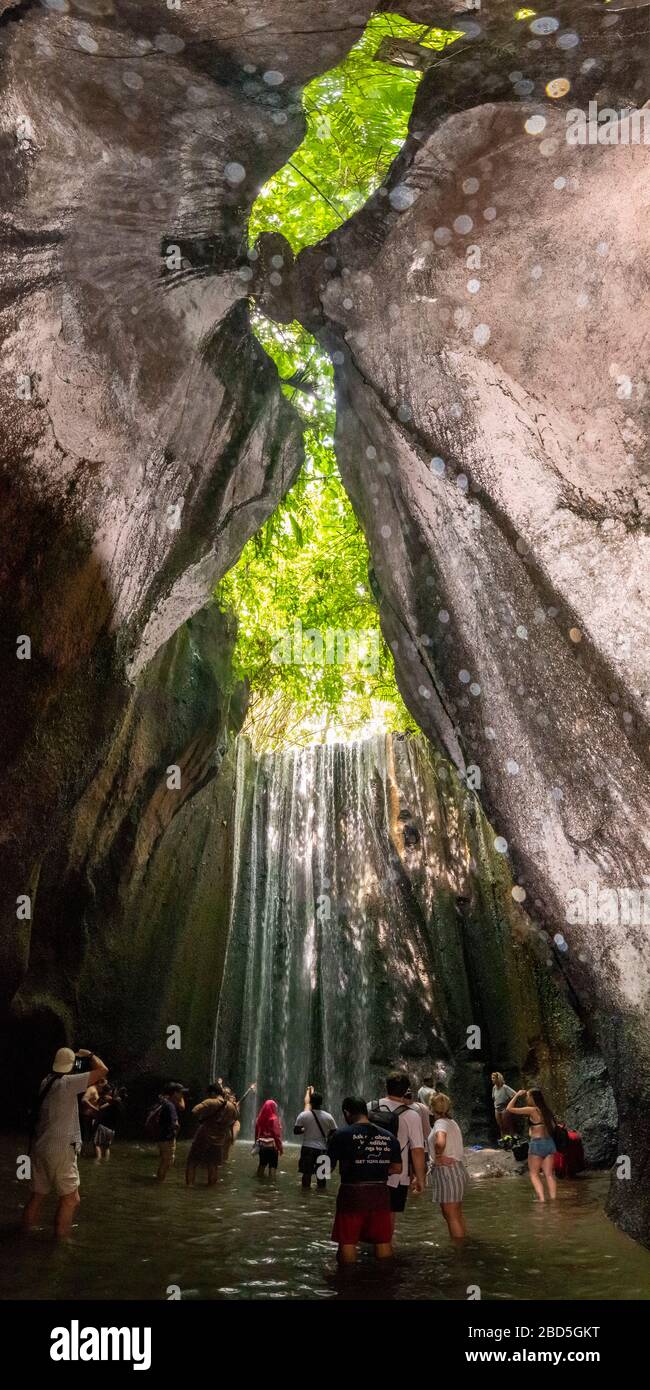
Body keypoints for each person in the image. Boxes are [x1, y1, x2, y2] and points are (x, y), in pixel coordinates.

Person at [23, 1046, 108, 1238]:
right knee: (71, 1199)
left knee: (37, 1195)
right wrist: (89, 1055)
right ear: (70, 1066)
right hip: (60, 1148)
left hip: (41, 1146)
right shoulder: (68, 1083)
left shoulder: (46, 1081)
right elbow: (103, 1071)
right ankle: (61, 1245)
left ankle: (24, 1235)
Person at [327, 1097, 402, 1263]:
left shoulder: (341, 1135)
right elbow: (397, 1168)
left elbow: (324, 1171)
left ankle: (347, 1280)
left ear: (347, 1113)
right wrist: (375, 1166)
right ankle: (386, 1278)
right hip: (381, 1192)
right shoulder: (389, 1136)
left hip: (352, 1192)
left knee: (348, 1240)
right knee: (382, 1239)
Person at [370, 1072, 426, 1222]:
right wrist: (420, 1179)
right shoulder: (411, 1115)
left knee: (369, 1212)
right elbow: (417, 1150)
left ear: (386, 1086)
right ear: (407, 1090)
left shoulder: (370, 1107)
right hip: (397, 1173)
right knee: (389, 1215)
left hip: (367, 1169)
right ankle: (385, 1244)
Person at [505, 1087, 557, 1202]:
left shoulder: (532, 1110)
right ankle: (554, 1201)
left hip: (537, 1145)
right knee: (549, 1175)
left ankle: (542, 1199)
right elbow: (552, 1127)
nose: (527, 1098)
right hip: (549, 1143)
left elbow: (509, 1109)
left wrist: (517, 1095)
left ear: (533, 1098)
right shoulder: (546, 1110)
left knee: (534, 1174)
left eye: (528, 1096)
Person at [428, 1093, 467, 1239]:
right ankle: (464, 1244)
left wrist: (438, 1157)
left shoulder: (440, 1123)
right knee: (455, 1214)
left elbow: (440, 1142)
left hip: (447, 1173)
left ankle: (458, 1251)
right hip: (456, 1170)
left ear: (431, 1108)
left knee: (451, 1215)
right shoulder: (452, 1122)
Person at [186, 1082, 239, 1186]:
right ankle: (210, 1189)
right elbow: (235, 1117)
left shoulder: (210, 1101)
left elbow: (194, 1111)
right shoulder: (231, 1106)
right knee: (213, 1165)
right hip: (219, 1139)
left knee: (192, 1163)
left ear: (213, 1093)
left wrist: (204, 1117)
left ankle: (189, 1187)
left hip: (203, 1136)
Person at [294, 1085, 337, 1190]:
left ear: (310, 1102)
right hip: (323, 1149)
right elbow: (335, 1132)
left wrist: (306, 1129)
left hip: (308, 1148)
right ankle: (321, 1197)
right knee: (322, 1176)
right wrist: (327, 1137)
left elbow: (296, 1131)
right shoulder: (328, 1117)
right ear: (321, 1103)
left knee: (306, 1174)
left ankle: (304, 1197)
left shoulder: (303, 1115)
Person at [156, 1082, 187, 1183]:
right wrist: (175, 1133)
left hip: (162, 1136)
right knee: (166, 1161)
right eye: (181, 1093)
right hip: (167, 1137)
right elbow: (175, 1124)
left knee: (166, 1161)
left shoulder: (166, 1102)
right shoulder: (170, 1106)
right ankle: (159, 1182)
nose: (182, 1095)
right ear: (175, 1093)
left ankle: (159, 1180)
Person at [254, 1098, 283, 1177]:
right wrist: (280, 1148)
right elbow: (277, 1136)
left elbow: (256, 1133)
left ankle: (258, 1183)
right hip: (272, 1147)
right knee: (272, 1166)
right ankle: (271, 1185)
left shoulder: (259, 1119)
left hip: (262, 1146)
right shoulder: (274, 1119)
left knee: (262, 1164)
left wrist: (255, 1144)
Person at [491, 1071, 516, 1137]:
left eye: (493, 1078)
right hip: (497, 1109)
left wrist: (509, 1102)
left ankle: (512, 1140)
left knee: (507, 1125)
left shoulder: (505, 1087)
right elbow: (494, 1097)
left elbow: (515, 1094)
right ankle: (504, 1141)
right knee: (501, 1127)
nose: (492, 1079)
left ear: (498, 1078)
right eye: (492, 1078)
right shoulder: (494, 1088)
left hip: (504, 1108)